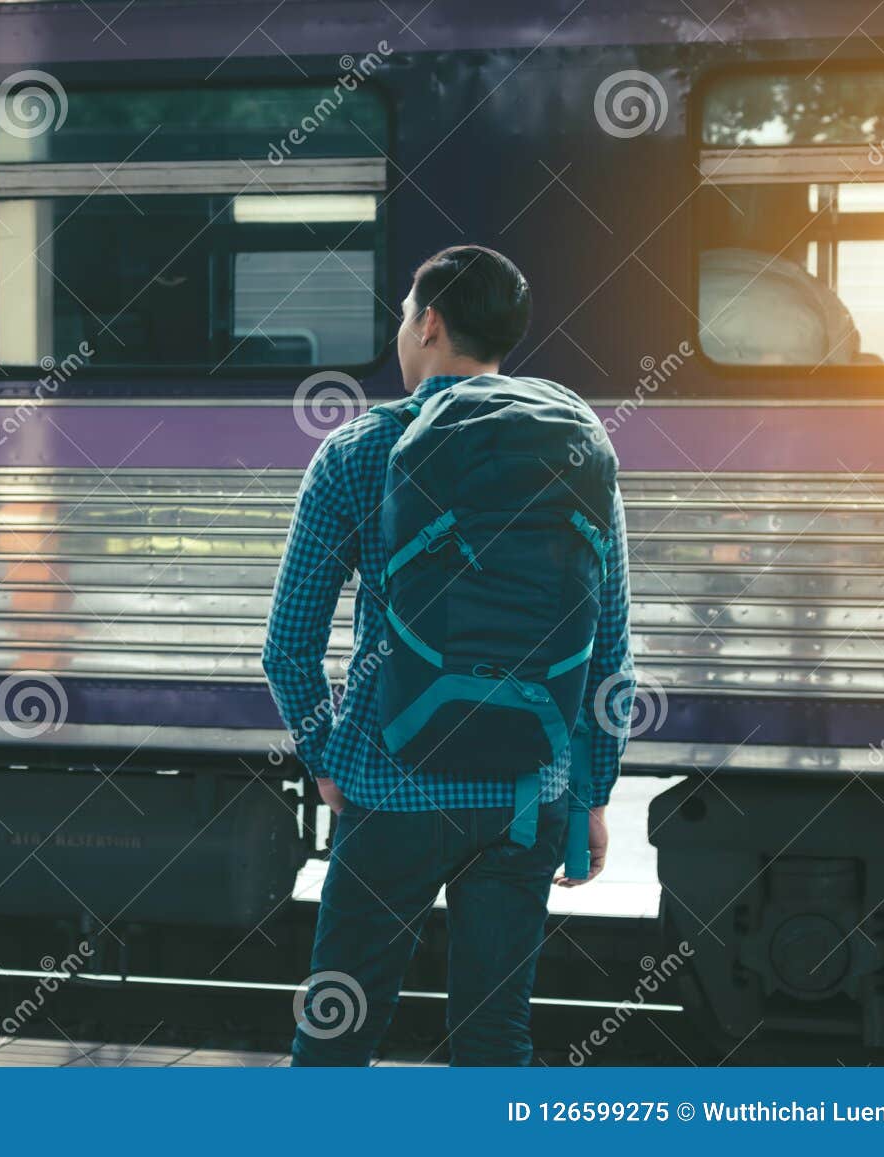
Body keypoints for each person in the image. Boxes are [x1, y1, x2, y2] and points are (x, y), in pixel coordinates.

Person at [262, 245, 634, 1066]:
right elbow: (610, 651)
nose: (403, 328)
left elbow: (287, 647)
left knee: (336, 1033)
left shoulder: (359, 451)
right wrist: (592, 792)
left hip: (390, 782)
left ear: (429, 322)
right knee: (495, 1041)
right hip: (525, 795)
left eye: (404, 312)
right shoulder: (576, 450)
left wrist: (327, 758)